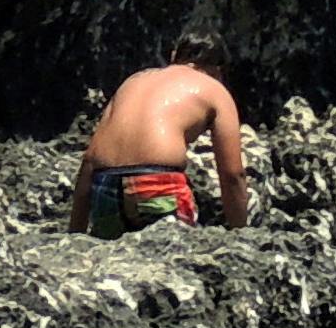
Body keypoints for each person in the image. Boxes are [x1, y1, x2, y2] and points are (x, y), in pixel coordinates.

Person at [66, 29, 251, 236]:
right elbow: (232, 174)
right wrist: (241, 235)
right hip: (158, 186)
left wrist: (75, 235)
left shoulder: (133, 81)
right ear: (218, 70)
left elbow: (89, 160)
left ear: (173, 56)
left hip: (105, 186)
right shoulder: (215, 90)